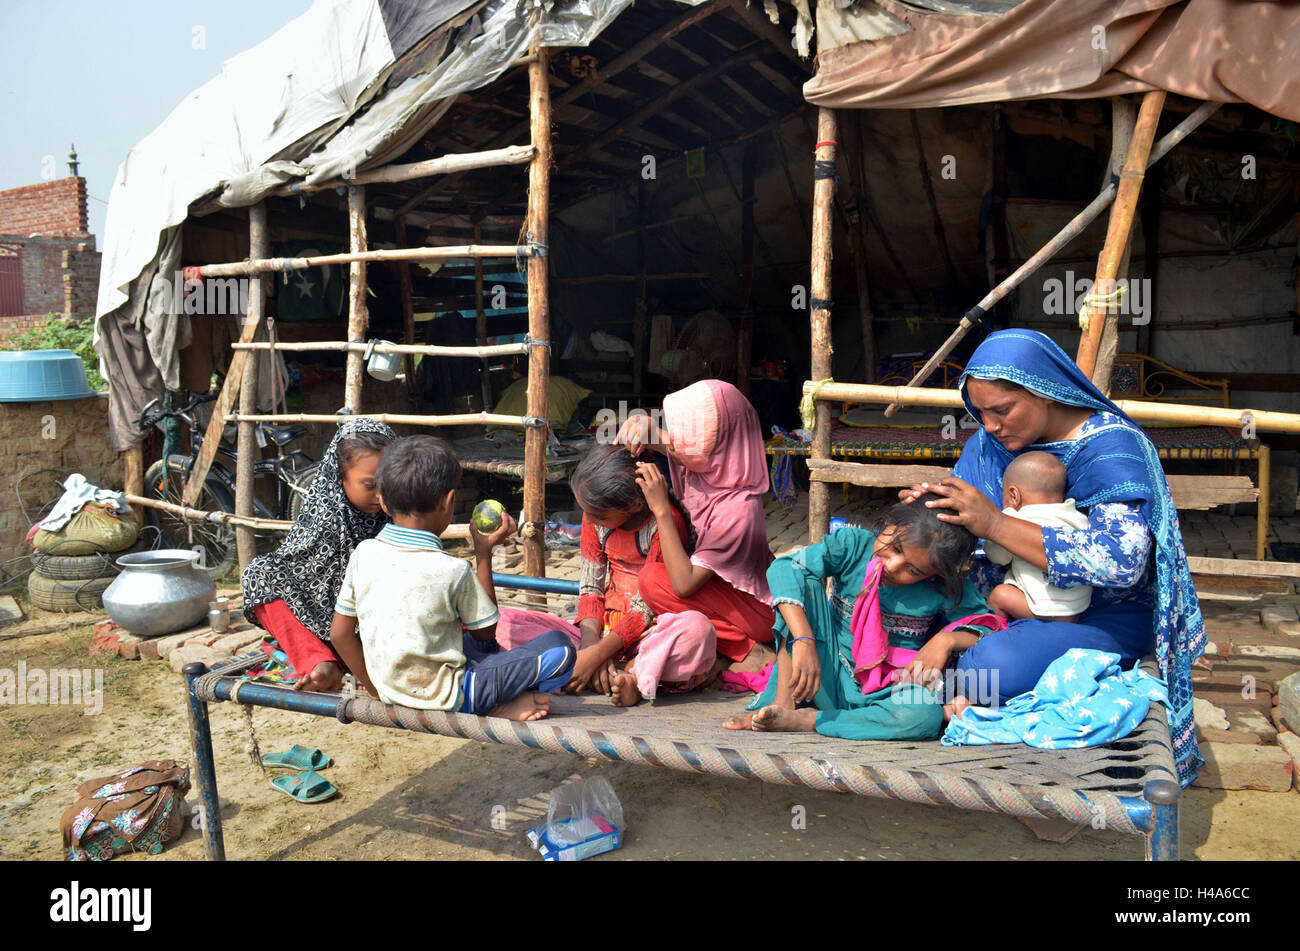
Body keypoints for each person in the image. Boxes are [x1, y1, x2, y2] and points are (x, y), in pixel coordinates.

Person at [900, 329, 1206, 786]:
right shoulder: (989, 446)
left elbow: (1120, 563)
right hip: (1011, 598)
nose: (990, 426)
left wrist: (996, 524)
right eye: (979, 413)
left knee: (989, 671)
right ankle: (960, 664)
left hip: (1101, 616)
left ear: (1043, 390)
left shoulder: (1110, 447)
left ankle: (966, 675)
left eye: (1002, 410)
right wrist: (934, 511)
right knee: (897, 605)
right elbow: (964, 531)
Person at [328, 435, 575, 721]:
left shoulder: (364, 553)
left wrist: (374, 688)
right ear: (449, 501)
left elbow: (340, 633)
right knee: (560, 648)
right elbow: (486, 633)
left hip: (390, 690)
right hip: (452, 695)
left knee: (469, 645)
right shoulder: (452, 570)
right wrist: (483, 554)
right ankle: (495, 706)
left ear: (383, 502)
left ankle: (490, 695)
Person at [724, 496, 994, 737]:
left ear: (932, 574)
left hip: (887, 690)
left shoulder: (942, 587)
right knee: (801, 583)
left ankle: (811, 721)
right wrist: (805, 640)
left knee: (923, 715)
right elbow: (785, 568)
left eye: (912, 571)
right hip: (820, 671)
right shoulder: (853, 546)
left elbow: (988, 626)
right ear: (888, 522)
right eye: (895, 548)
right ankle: (782, 704)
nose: (892, 565)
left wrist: (944, 641)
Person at [494, 444, 718, 707]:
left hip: (651, 634)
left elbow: (646, 608)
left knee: (697, 631)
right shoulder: (593, 520)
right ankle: (609, 673)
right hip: (600, 630)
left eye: (599, 514)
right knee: (505, 622)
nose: (589, 519)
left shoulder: (666, 524)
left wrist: (598, 654)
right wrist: (590, 648)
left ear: (634, 504)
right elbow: (590, 588)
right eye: (586, 511)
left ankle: (632, 677)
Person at [616, 379, 776, 667]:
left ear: (717, 447)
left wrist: (661, 508)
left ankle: (748, 649)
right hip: (728, 594)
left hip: (757, 613)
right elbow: (673, 448)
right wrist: (641, 420)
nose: (674, 447)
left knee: (653, 582)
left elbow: (683, 585)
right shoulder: (710, 470)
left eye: (684, 443)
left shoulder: (739, 511)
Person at [241, 418, 394, 692]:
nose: (381, 495)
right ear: (339, 478)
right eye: (370, 485)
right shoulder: (324, 520)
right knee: (258, 573)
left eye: (389, 483)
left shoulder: (403, 514)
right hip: (324, 630)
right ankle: (318, 663)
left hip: (380, 631)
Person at [984, 451, 1091, 622]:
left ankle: (994, 632)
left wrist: (994, 531)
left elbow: (999, 557)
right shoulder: (1078, 517)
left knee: (999, 595)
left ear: (1014, 495)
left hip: (1041, 610)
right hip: (1077, 610)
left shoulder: (1015, 518)